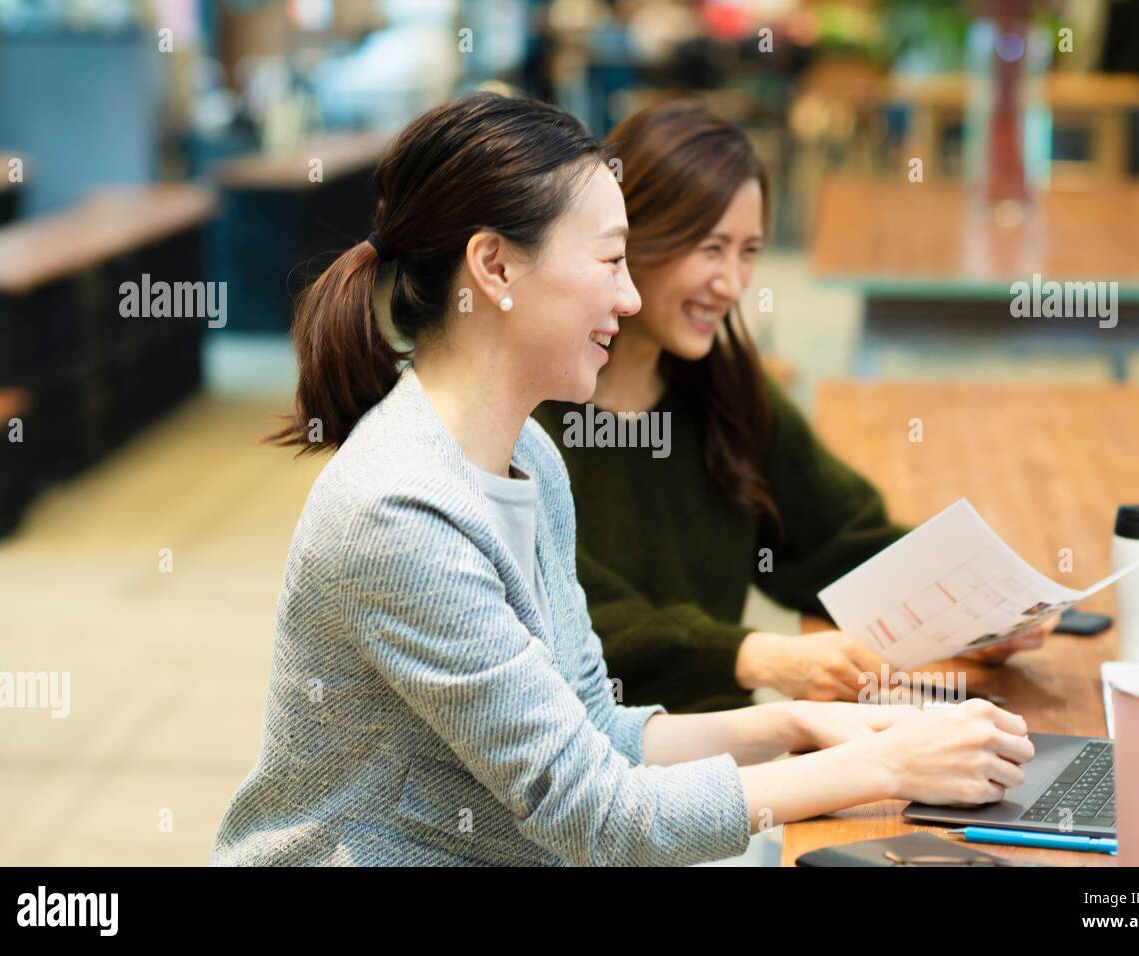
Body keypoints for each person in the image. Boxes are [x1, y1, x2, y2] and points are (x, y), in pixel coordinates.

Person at [208, 92, 1035, 867]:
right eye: (610, 261)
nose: (630, 296)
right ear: (493, 268)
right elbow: (597, 816)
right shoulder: (399, 513)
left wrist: (802, 721)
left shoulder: (530, 457)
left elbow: (596, 728)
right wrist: (888, 763)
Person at [535, 101, 1050, 713]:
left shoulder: (723, 388)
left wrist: (975, 607)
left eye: (749, 251)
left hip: (726, 755)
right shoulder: (532, 411)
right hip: (588, 772)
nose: (730, 282)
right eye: (708, 246)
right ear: (626, 235)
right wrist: (753, 655)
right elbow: (568, 614)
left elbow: (836, 538)